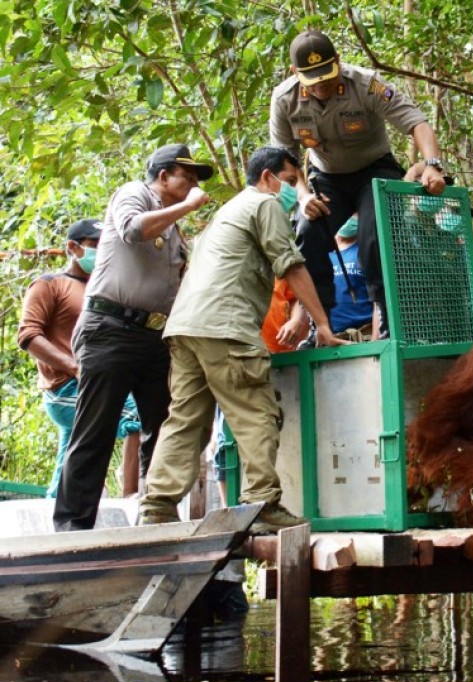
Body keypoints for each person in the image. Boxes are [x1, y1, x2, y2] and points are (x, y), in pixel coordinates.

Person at [137, 146, 343, 532]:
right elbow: (291, 266)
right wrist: (323, 324)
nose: (293, 191)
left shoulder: (226, 212)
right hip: (225, 326)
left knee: (186, 418)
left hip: (185, 327)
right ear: (267, 178)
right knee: (256, 412)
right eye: (289, 181)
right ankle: (261, 504)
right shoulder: (264, 205)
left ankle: (158, 504)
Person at [53, 144, 213, 531]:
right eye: (186, 177)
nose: (193, 185)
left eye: (195, 181)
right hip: (110, 329)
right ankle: (72, 529)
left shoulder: (172, 228)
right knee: (96, 430)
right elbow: (133, 229)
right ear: (162, 176)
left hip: (154, 337)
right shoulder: (134, 194)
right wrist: (189, 206)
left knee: (164, 425)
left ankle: (154, 515)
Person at [268, 29, 446, 335]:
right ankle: (317, 319)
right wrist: (302, 195)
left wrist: (432, 165)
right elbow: (285, 161)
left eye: (327, 74)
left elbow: (416, 122)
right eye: (313, 79)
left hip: (374, 170)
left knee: (375, 232)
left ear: (337, 61)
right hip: (327, 179)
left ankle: (387, 314)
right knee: (309, 233)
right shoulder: (284, 100)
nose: (322, 85)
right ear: (295, 73)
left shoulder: (366, 84)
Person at [18, 219, 142, 498]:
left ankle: (54, 511)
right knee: (136, 414)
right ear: (73, 248)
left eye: (103, 245)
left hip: (101, 380)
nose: (100, 250)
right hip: (66, 387)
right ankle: (130, 497)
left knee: (68, 460)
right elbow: (28, 335)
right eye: (93, 245)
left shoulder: (105, 286)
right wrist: (74, 367)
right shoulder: (49, 285)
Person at [328, 213, 376, 338]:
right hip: (331, 337)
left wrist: (375, 341)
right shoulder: (323, 252)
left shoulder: (367, 250)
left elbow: (379, 301)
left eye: (354, 213)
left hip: (365, 333)